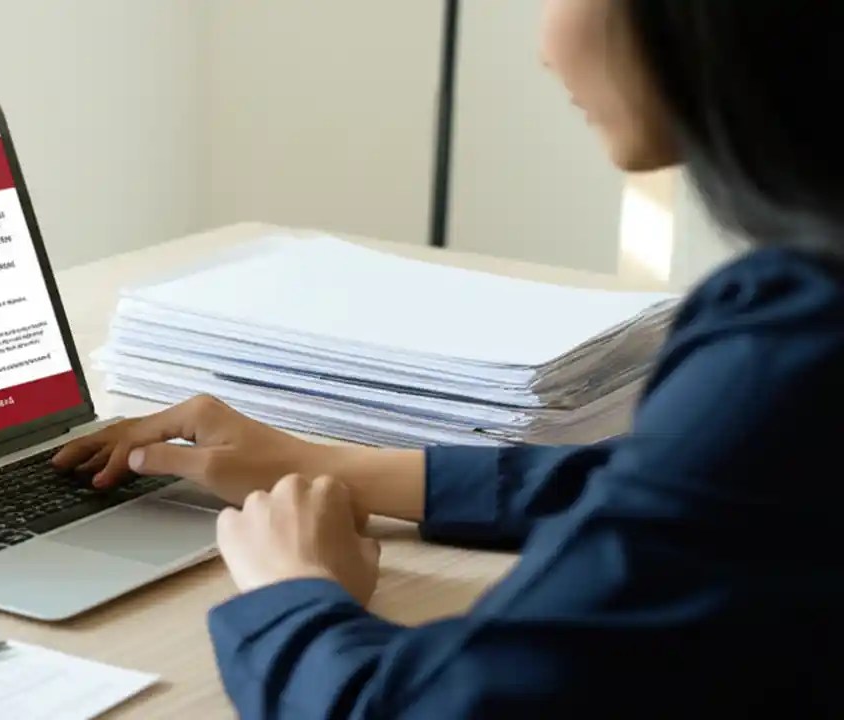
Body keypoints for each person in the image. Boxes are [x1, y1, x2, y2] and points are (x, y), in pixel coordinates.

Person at [54, 0, 843, 716]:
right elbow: (676, 491)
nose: (543, 47)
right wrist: (331, 466)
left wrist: (294, 591)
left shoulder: (794, 349)